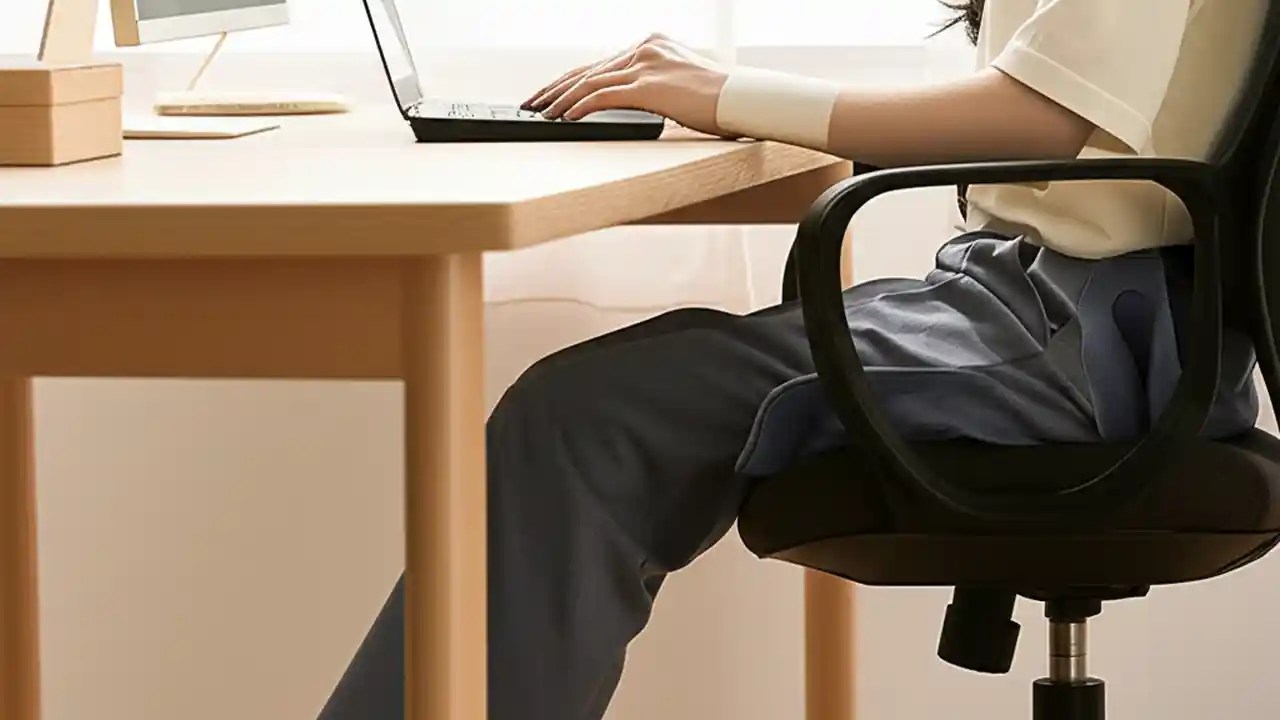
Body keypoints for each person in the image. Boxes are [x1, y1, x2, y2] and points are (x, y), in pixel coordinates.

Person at [318, 1, 1267, 718]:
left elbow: (1046, 117)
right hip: (1044, 308)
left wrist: (729, 93)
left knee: (580, 422)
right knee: (608, 401)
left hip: (1075, 341)